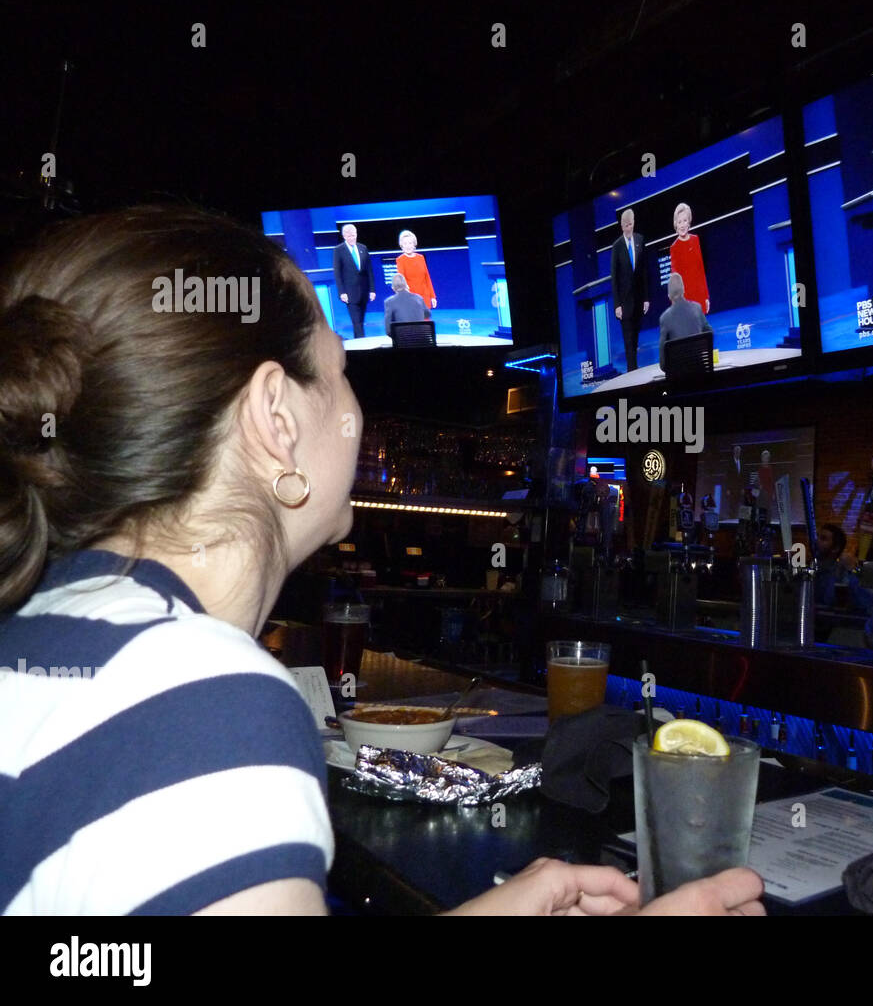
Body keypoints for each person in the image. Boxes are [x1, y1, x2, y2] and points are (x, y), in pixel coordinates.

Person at [0, 206, 764, 917]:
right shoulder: (205, 705)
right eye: (339, 370)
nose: (356, 410)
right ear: (276, 418)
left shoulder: (46, 637)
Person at [610, 208, 651, 372]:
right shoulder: (617, 246)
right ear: (621, 226)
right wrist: (617, 305)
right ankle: (632, 373)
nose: (628, 228)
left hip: (639, 299)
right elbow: (615, 277)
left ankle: (634, 368)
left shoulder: (640, 239)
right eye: (625, 225)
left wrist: (646, 298)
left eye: (631, 224)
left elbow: (644, 272)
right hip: (624, 303)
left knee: (635, 337)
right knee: (628, 340)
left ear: (634, 223)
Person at [658, 271, 711, 370]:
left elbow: (663, 364)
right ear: (683, 290)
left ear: (669, 296)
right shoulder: (697, 308)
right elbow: (709, 334)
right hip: (701, 374)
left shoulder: (664, 318)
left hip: (677, 380)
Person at [332, 223, 374, 339]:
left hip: (364, 291)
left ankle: (358, 344)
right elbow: (337, 273)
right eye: (349, 236)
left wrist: (372, 290)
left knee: (360, 321)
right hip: (350, 293)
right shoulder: (338, 250)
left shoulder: (363, 248)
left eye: (354, 235)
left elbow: (369, 271)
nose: (352, 238)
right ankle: (363, 344)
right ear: (344, 236)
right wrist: (342, 292)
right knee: (356, 322)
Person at [668, 203, 709, 314]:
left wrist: (706, 296)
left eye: (685, 220)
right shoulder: (674, 247)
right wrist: (676, 302)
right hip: (686, 297)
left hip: (699, 295)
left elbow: (701, 270)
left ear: (689, 221)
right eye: (679, 222)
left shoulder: (696, 240)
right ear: (675, 224)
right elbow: (675, 277)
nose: (682, 225)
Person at [394, 229, 437, 310]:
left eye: (410, 243)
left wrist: (433, 296)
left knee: (426, 322)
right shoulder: (400, 260)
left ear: (414, 244)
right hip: (410, 297)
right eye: (405, 243)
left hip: (425, 297)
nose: (408, 246)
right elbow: (402, 281)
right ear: (401, 246)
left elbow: (427, 278)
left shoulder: (420, 258)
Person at [384, 272, 431, 339]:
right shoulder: (419, 298)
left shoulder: (389, 302)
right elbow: (428, 314)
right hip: (423, 342)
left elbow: (388, 330)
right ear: (406, 286)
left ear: (393, 288)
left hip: (401, 344)